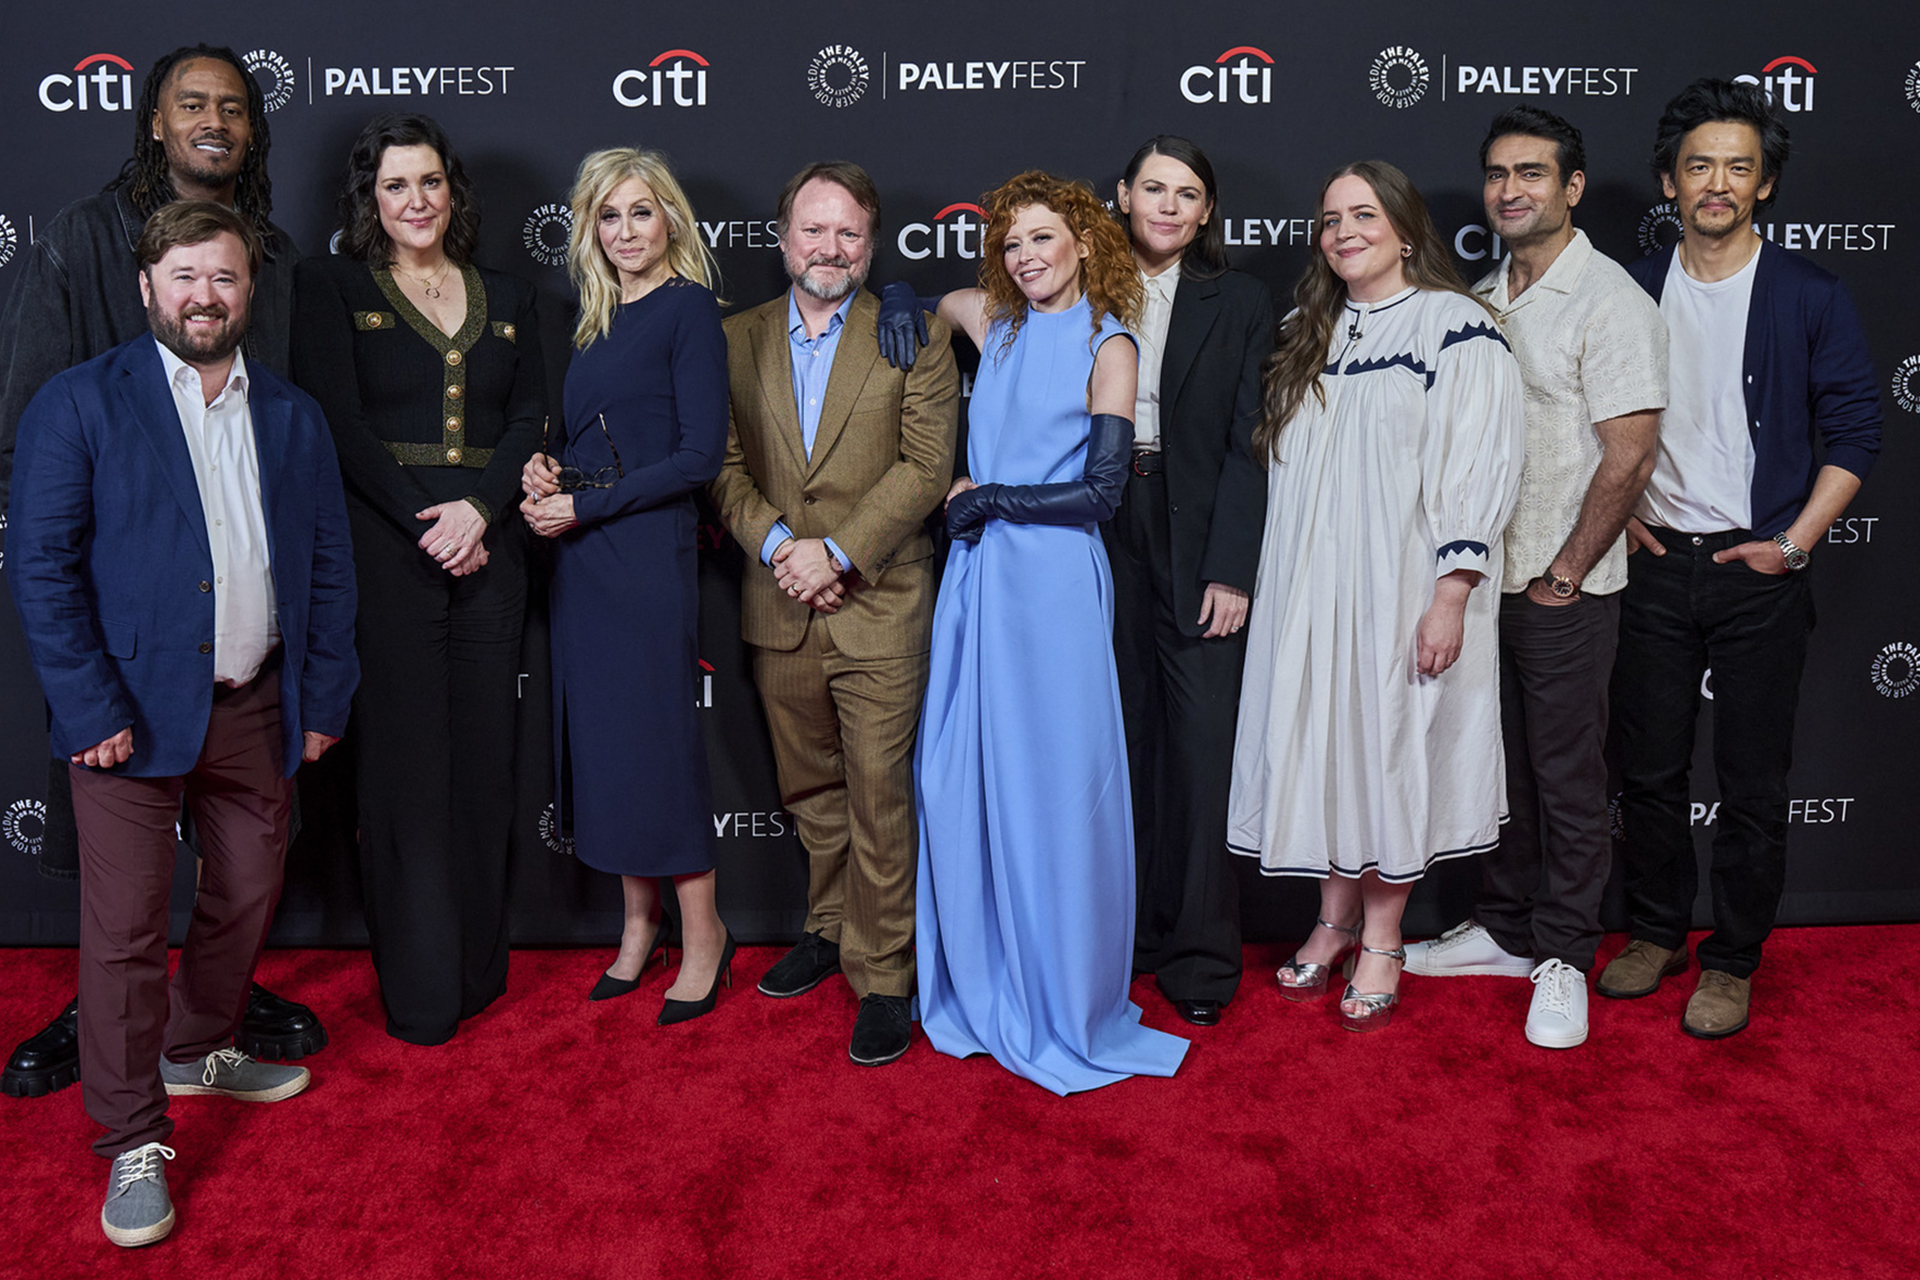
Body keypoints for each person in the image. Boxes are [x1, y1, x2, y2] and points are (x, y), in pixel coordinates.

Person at [7, 199, 357, 1247]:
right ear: (150, 284)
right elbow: (40, 568)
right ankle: (130, 1141)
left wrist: (322, 698)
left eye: (226, 278)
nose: (206, 296)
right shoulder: (79, 403)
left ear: (250, 290)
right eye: (187, 277)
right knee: (119, 938)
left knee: (250, 884)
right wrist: (85, 707)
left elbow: (327, 568)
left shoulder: (291, 414)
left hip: (254, 703)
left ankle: (198, 1042)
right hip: (123, 716)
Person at [0, 43, 324, 1101]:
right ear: (154, 120)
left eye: (233, 107)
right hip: (124, 628)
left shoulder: (269, 253)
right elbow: (34, 443)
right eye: (193, 104)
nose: (214, 121)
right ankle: (120, 1062)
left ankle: (197, 1029)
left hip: (239, 638)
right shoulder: (82, 242)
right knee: (122, 897)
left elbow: (278, 442)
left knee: (242, 875)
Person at [1600, 80, 1880, 1038]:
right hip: (1653, 564)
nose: (1716, 183)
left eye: (1738, 167)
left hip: (1758, 573)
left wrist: (1796, 543)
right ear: (1668, 182)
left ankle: (1732, 959)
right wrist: (1622, 512)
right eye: (1698, 165)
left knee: (1753, 779)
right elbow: (1578, 422)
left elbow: (1855, 434)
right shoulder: (1629, 287)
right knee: (1648, 770)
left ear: (1763, 185)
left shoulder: (1808, 293)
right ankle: (1656, 931)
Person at [1226, 160, 1524, 1032]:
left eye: (1363, 215)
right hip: (1310, 586)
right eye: (1330, 220)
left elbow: (1479, 463)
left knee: (1394, 746)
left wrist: (1451, 593)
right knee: (1328, 746)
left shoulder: (1456, 323)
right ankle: (1333, 917)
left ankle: (1384, 936)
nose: (1344, 232)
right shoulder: (1301, 329)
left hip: (1404, 583)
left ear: (1403, 227)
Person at [915, 169, 1190, 1093]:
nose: (1026, 256)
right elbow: (938, 297)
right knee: (969, 776)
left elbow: (1101, 494)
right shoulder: (995, 323)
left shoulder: (1111, 344)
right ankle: (988, 979)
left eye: (1042, 238)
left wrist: (986, 495)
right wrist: (899, 305)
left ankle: (1063, 996)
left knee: (1056, 786)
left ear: (1084, 241)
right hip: (981, 579)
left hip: (1055, 582)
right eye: (1011, 243)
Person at [1404, 107, 1666, 1051]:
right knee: (1498, 770)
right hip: (1480, 582)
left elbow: (1630, 456)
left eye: (1533, 173)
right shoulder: (1478, 297)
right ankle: (1508, 929)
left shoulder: (1611, 300)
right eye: (1498, 174)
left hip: (1563, 589)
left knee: (1565, 778)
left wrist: (1564, 571)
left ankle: (1562, 954)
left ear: (1573, 188)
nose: (1511, 190)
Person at [292, 113, 546, 1045]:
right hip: (386, 553)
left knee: (483, 765)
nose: (415, 201)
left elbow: (529, 419)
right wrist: (426, 524)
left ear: (453, 190)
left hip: (493, 550)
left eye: (430, 182)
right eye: (395, 186)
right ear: (370, 198)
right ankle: (424, 989)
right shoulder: (330, 286)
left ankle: (479, 972)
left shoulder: (512, 293)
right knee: (405, 774)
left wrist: (481, 512)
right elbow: (339, 425)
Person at [709, 161, 959, 1067]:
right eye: (814, 230)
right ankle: (828, 927)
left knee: (880, 794)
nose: (830, 247)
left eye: (849, 232)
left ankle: (884, 973)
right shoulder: (734, 338)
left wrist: (837, 552)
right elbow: (721, 463)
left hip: (879, 602)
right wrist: (781, 547)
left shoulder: (915, 336)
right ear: (783, 240)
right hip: (778, 598)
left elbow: (926, 468)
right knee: (811, 791)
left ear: (872, 244)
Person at [519, 149, 732, 1023]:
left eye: (641, 213)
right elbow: (601, 438)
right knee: (607, 749)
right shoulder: (591, 320)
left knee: (657, 747)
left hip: (644, 555)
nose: (625, 232)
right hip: (585, 561)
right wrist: (547, 469)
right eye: (608, 216)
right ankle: (637, 927)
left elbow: (693, 457)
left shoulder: (687, 311)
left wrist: (586, 501)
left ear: (670, 219)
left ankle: (704, 928)